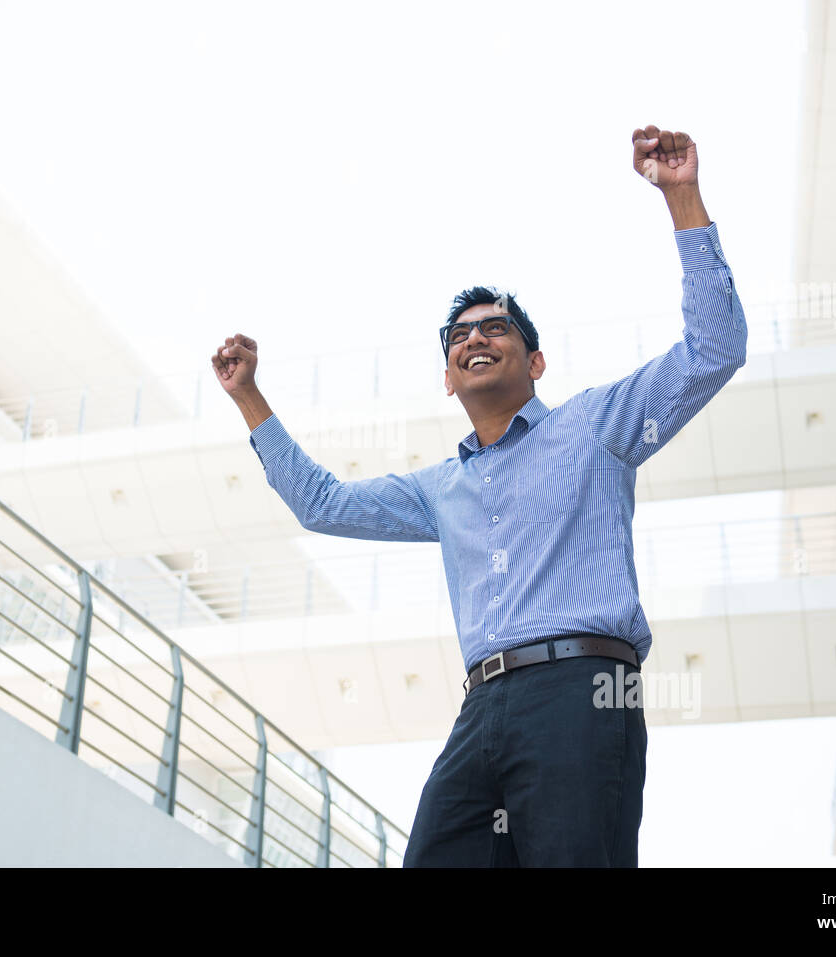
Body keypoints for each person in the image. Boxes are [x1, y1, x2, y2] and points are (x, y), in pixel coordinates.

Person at [210, 125, 747, 866]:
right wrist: (250, 397)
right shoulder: (440, 489)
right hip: (482, 706)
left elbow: (713, 352)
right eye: (459, 335)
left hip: (583, 690)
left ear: (535, 359)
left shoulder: (596, 424)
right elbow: (322, 504)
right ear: (448, 373)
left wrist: (681, 194)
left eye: (496, 328)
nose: (475, 338)